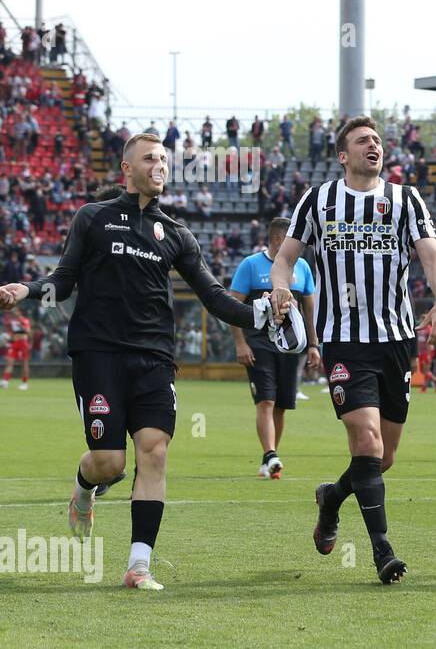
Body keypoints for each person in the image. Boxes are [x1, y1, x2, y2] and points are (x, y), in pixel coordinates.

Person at [0, 134, 273, 590]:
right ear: (127, 170)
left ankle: (138, 566)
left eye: (164, 159)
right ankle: (85, 488)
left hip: (154, 359)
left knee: (155, 451)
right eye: (150, 158)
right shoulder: (93, 218)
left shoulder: (178, 235)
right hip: (98, 354)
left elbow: (214, 296)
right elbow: (63, 281)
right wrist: (23, 291)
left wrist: (258, 316)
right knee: (109, 462)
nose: (160, 165)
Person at [272, 115, 436, 585]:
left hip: (395, 340)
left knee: (383, 457)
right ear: (342, 155)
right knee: (367, 443)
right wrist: (280, 288)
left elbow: (431, 256)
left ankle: (332, 496)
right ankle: (382, 551)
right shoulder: (318, 200)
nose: (373, 146)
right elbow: (285, 258)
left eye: (377, 140)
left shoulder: (405, 199)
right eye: (362, 141)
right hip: (344, 343)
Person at [229, 217, 319, 479]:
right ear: (278, 240)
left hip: (291, 346)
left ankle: (269, 457)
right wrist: (240, 343)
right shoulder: (250, 265)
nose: (298, 247)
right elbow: (232, 307)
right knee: (266, 401)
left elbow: (309, 309)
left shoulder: (302, 267)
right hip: (258, 344)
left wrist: (313, 344)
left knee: (281, 404)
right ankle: (270, 455)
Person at [1, 311, 31, 390]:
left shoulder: (24, 320)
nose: (13, 313)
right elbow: (13, 333)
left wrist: (20, 325)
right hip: (15, 343)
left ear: (19, 312)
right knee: (9, 362)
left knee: (24, 364)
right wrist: (8, 339)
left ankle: (24, 383)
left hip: (23, 343)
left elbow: (27, 331)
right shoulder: (12, 322)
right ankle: (5, 382)